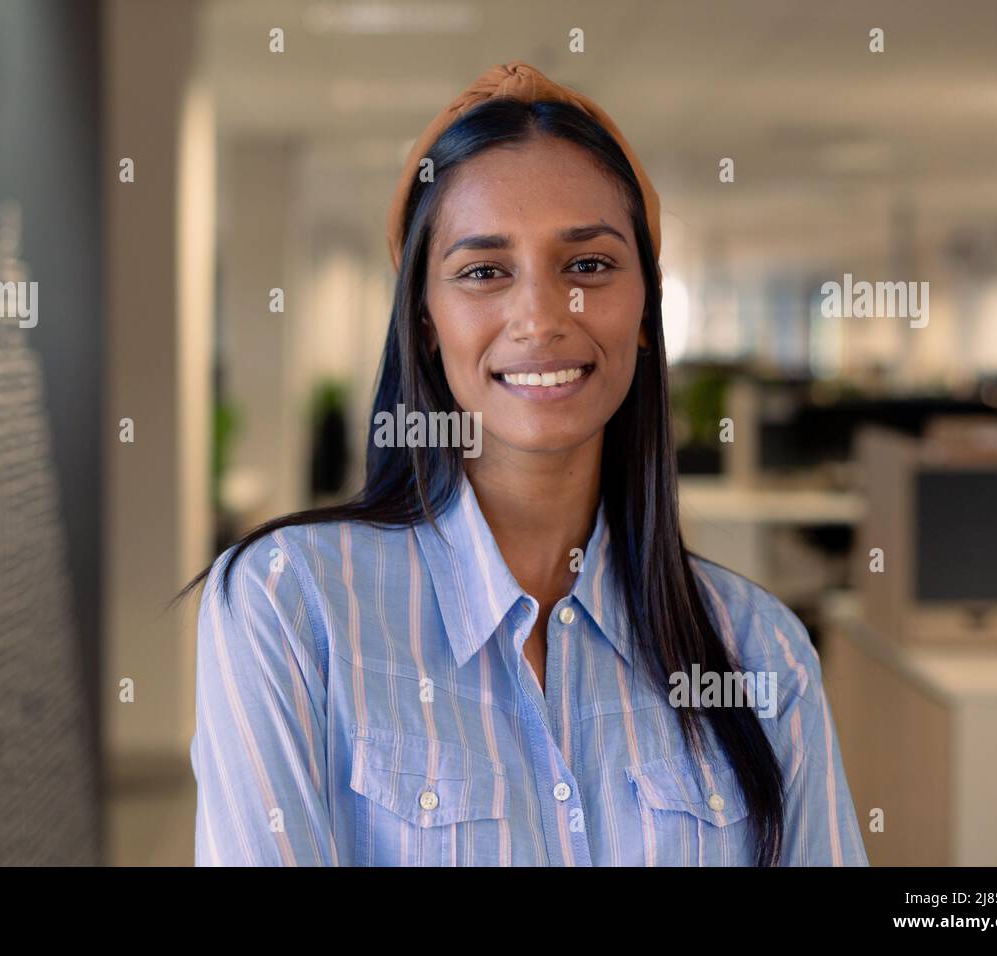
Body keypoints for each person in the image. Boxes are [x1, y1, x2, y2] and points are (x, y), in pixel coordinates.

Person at [180, 61, 868, 867]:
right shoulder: (290, 605)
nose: (541, 318)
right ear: (426, 320)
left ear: (645, 307)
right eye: (483, 272)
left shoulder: (760, 651)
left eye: (589, 266)